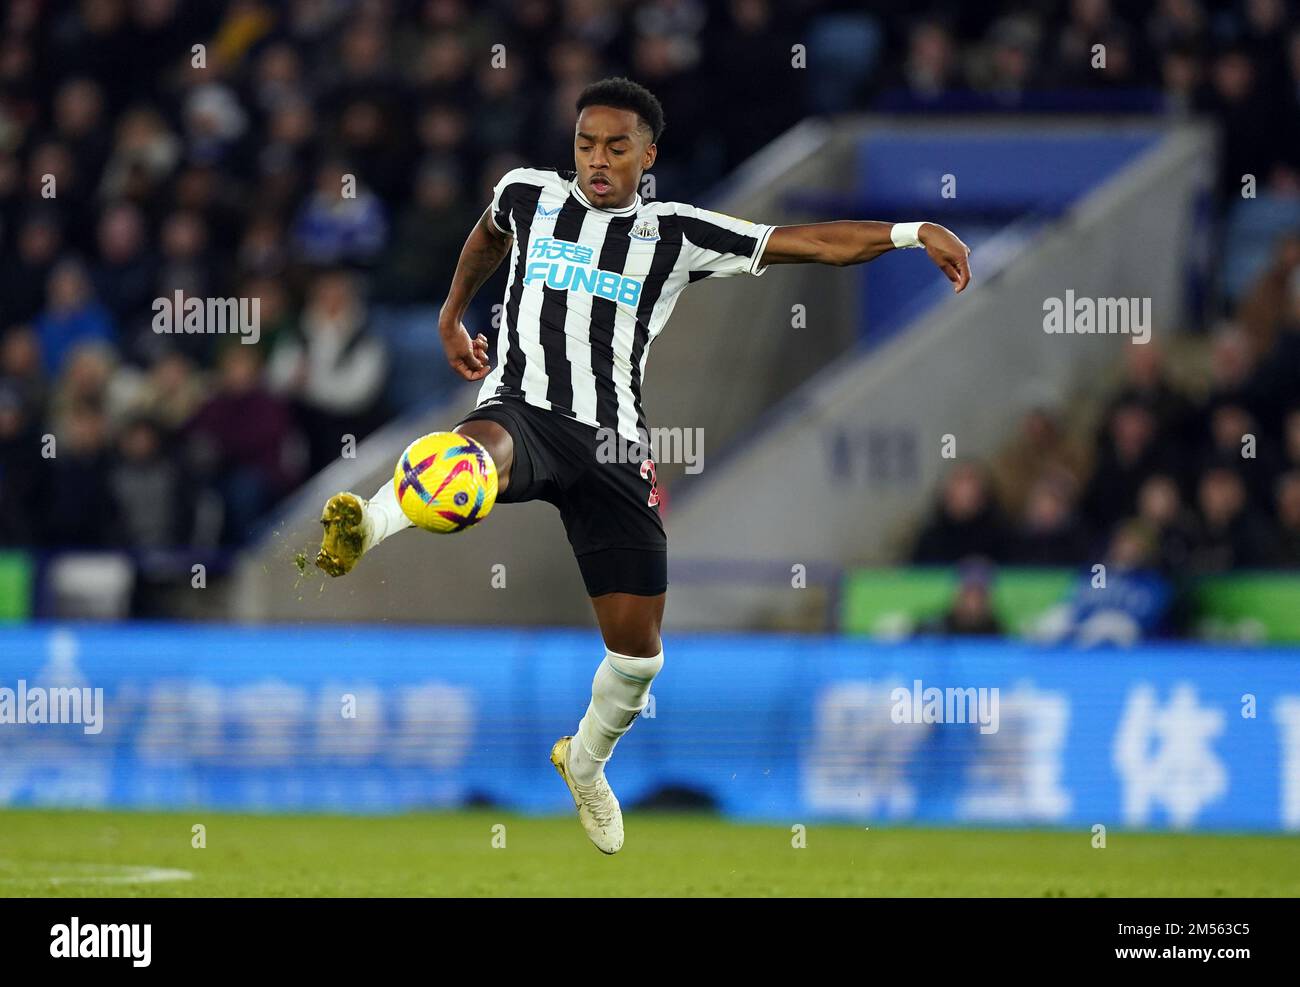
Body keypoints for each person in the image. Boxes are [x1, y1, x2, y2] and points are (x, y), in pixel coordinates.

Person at [313, 77, 972, 854]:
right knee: (469, 460)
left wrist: (910, 229)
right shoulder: (528, 194)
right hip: (521, 409)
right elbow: (488, 233)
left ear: (646, 155)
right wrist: (453, 314)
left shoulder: (676, 232)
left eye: (616, 147)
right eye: (586, 144)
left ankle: (584, 762)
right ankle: (368, 523)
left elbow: (806, 244)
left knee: (637, 654)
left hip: (613, 447)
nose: (597, 160)